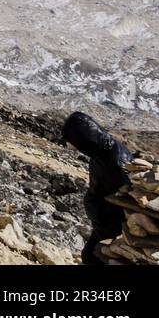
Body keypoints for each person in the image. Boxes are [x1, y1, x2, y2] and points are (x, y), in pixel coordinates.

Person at [61, 111, 132, 265]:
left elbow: (128, 199)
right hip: (103, 223)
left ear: (83, 138)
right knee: (89, 256)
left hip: (113, 228)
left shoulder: (117, 161)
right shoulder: (100, 152)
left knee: (95, 258)